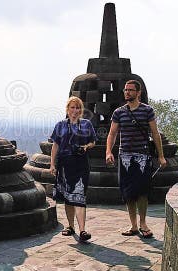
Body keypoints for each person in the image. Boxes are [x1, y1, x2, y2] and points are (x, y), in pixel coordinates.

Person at [104, 79, 167, 239]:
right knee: (128, 192)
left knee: (142, 192)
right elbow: (112, 133)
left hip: (142, 156)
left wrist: (161, 155)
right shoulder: (119, 112)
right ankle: (133, 225)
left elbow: (155, 133)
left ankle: (143, 223)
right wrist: (108, 152)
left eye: (131, 90)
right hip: (125, 156)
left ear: (138, 93)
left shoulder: (147, 111)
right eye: (125, 90)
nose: (127, 92)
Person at [49, 96, 97, 243]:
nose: (75, 111)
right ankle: (70, 226)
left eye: (78, 108)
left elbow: (93, 141)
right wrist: (52, 164)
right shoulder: (60, 125)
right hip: (64, 164)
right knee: (68, 196)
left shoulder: (87, 124)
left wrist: (86, 147)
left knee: (79, 195)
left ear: (81, 110)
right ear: (67, 109)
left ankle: (82, 230)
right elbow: (55, 145)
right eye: (72, 107)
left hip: (81, 163)